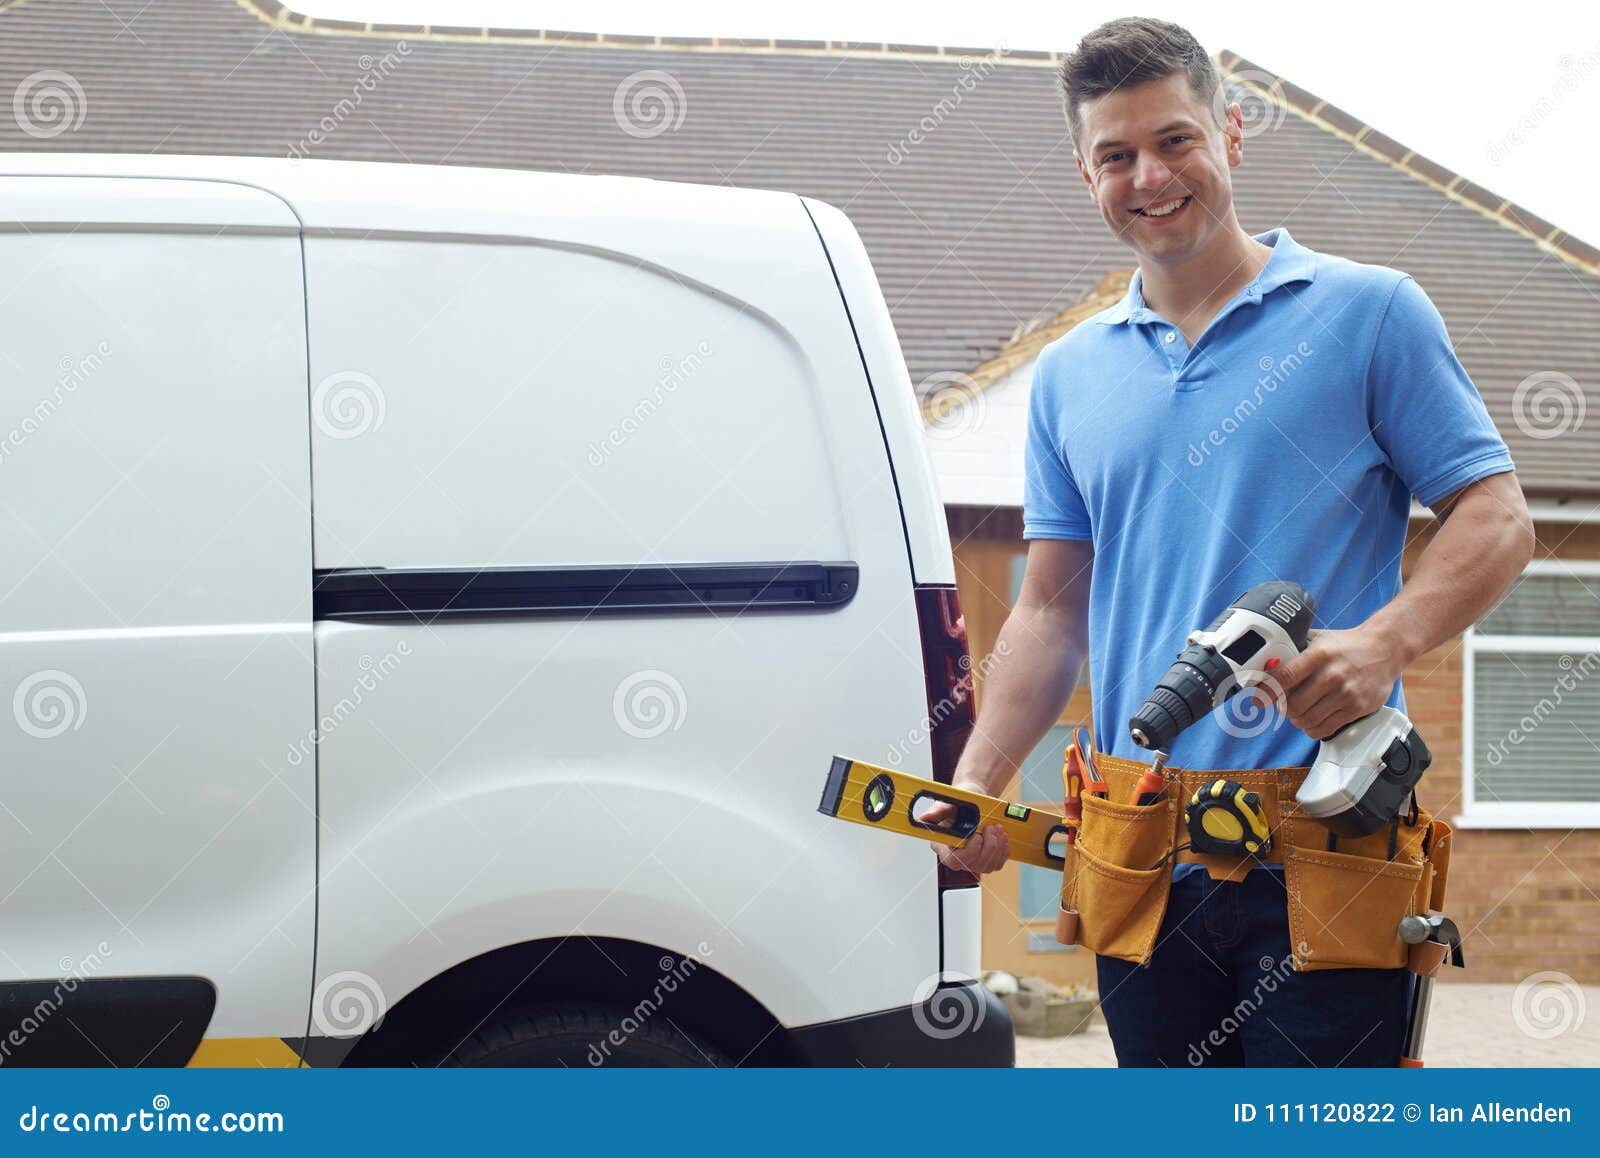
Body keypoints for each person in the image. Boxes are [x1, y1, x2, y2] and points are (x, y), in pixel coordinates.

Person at [933, 16, 1534, 1066]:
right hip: (1137, 850)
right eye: (1115, 155)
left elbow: (1498, 519)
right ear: (1084, 173)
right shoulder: (1071, 375)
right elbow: (1047, 605)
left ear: (1233, 136)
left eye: (1174, 141)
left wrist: (1383, 643)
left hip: (1326, 842)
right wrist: (982, 769)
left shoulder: (1368, 314)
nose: (1149, 175)